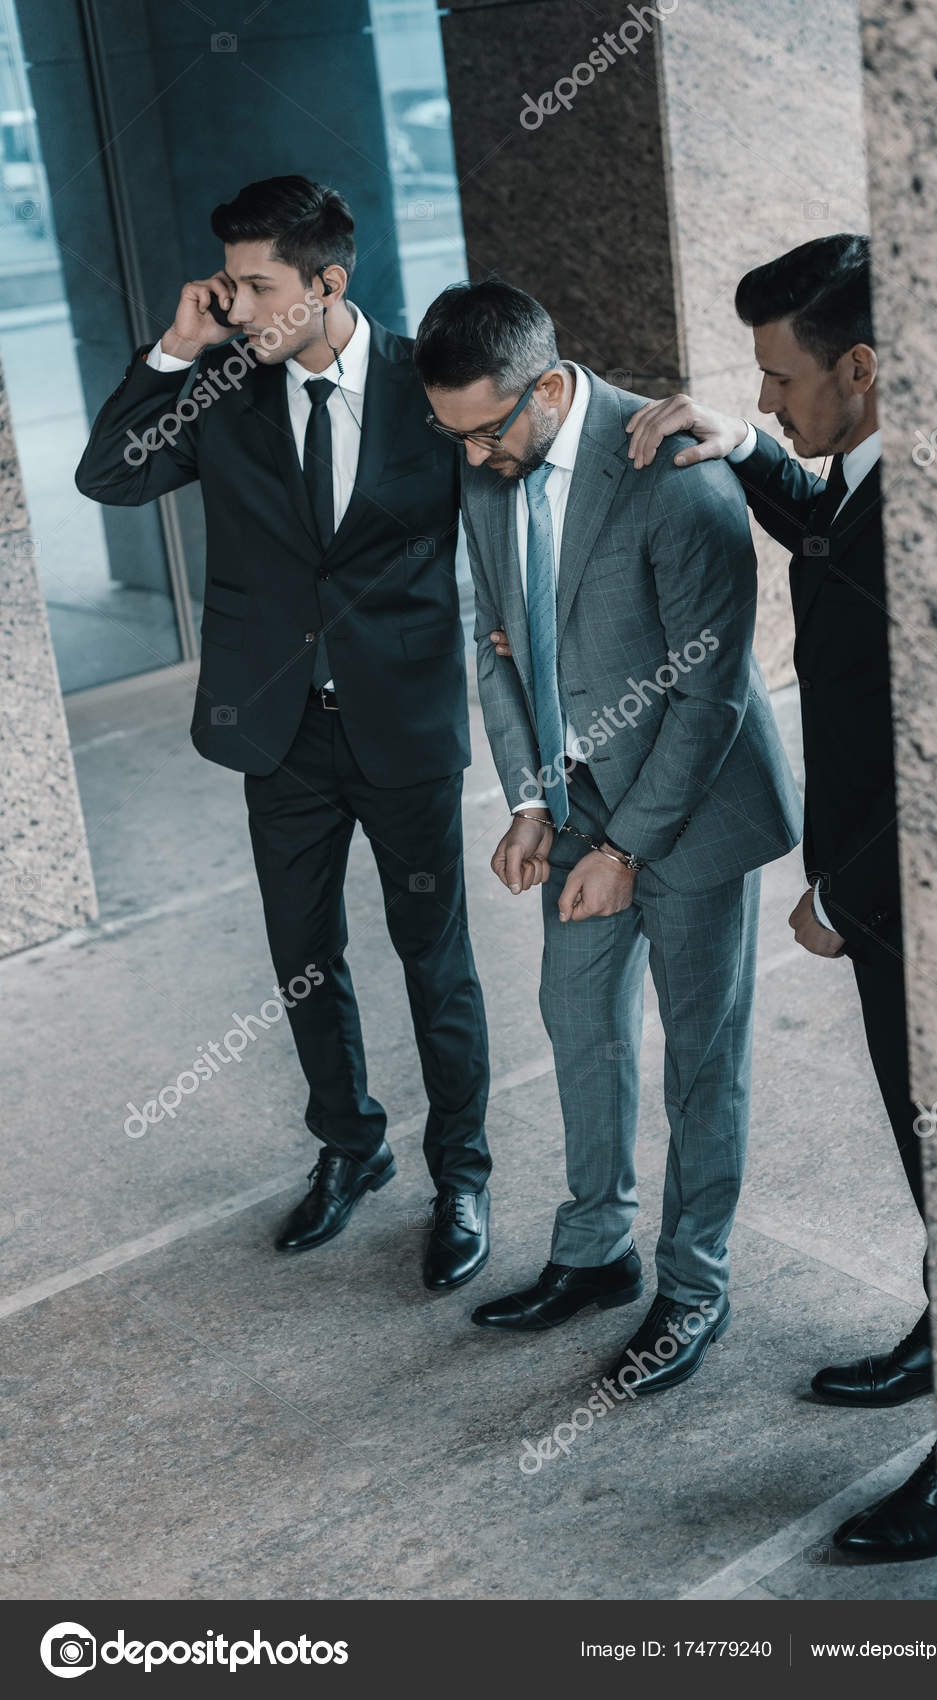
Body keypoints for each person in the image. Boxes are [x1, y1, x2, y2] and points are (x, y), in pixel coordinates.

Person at [76, 176, 491, 1291]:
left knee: (433, 959)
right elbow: (107, 474)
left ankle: (463, 1173)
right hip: (279, 734)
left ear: (327, 283)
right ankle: (352, 1147)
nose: (238, 301)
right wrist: (175, 342)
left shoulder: (425, 387)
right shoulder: (218, 387)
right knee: (303, 959)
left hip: (403, 728)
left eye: (259, 285)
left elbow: (511, 506)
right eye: (231, 280)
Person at [413, 279, 802, 1394]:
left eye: (488, 429)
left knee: (700, 1056)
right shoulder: (483, 451)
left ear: (547, 385)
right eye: (455, 435)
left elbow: (711, 696)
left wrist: (625, 847)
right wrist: (533, 803)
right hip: (575, 801)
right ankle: (595, 1253)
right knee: (579, 1025)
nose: (474, 457)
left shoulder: (672, 473)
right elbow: (496, 647)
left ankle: (694, 1285)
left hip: (690, 808)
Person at [624, 234, 937, 1559]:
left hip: (932, 910)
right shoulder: (866, 470)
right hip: (889, 905)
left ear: (862, 368)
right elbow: (821, 519)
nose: (770, 404)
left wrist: (845, 887)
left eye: (782, 383)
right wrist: (743, 450)